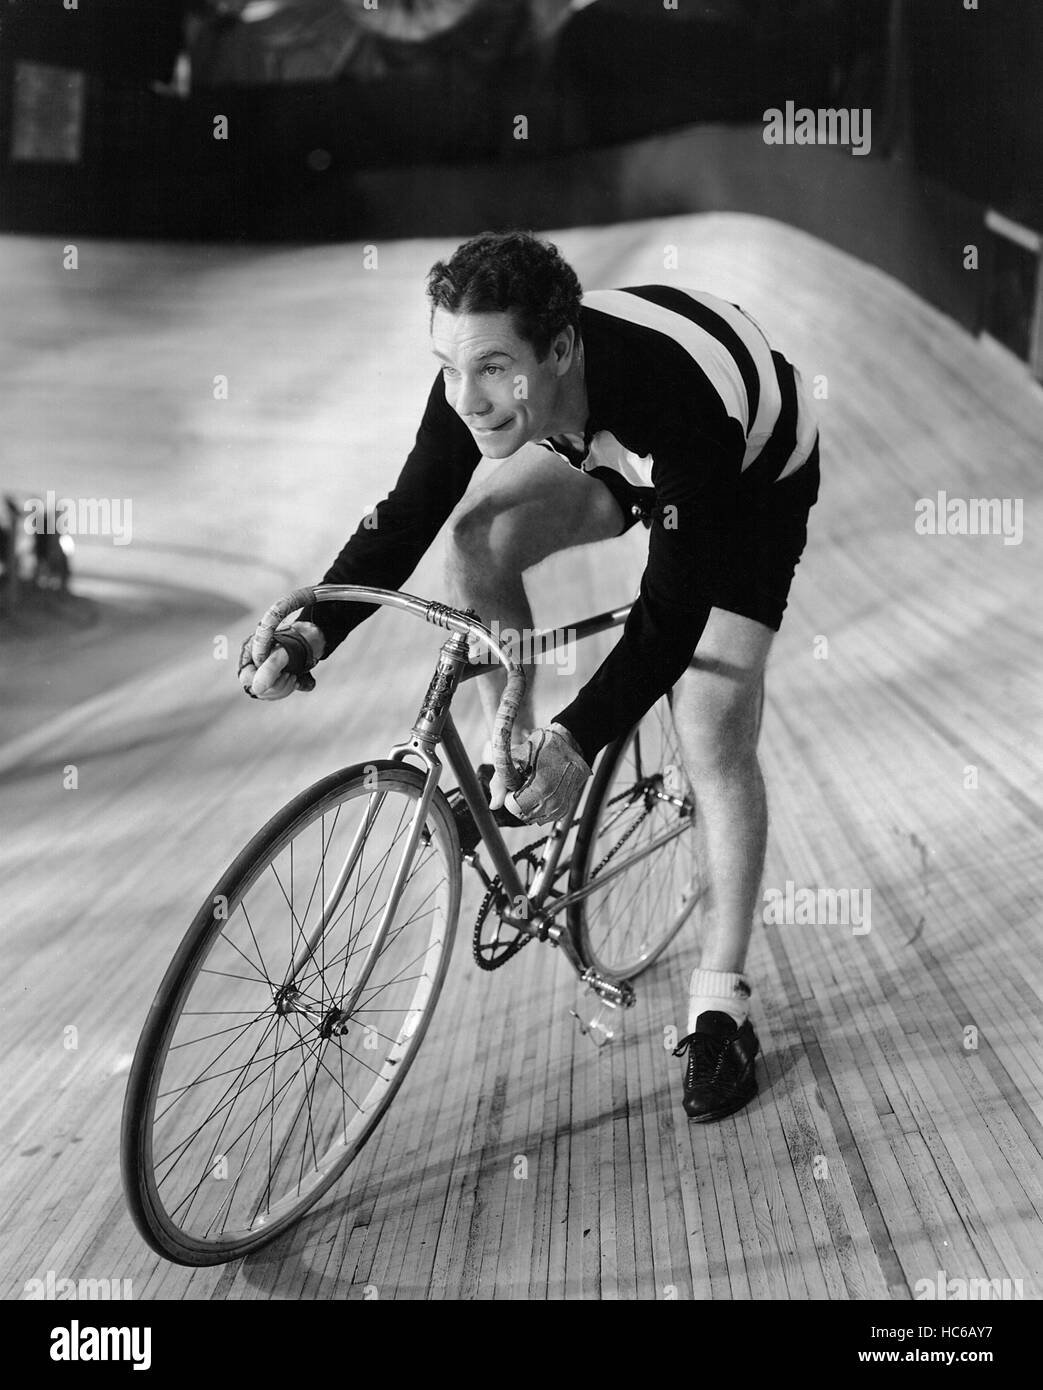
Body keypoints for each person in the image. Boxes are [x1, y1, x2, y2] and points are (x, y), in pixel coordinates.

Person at [239, 230, 820, 1123]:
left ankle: (720, 1004)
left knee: (708, 714)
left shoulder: (677, 406)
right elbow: (407, 519)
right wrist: (313, 634)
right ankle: (510, 751)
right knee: (476, 541)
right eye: (447, 367)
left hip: (742, 473)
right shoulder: (483, 378)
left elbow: (668, 618)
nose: (466, 399)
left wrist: (579, 739)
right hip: (610, 442)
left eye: (490, 370)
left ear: (558, 348)